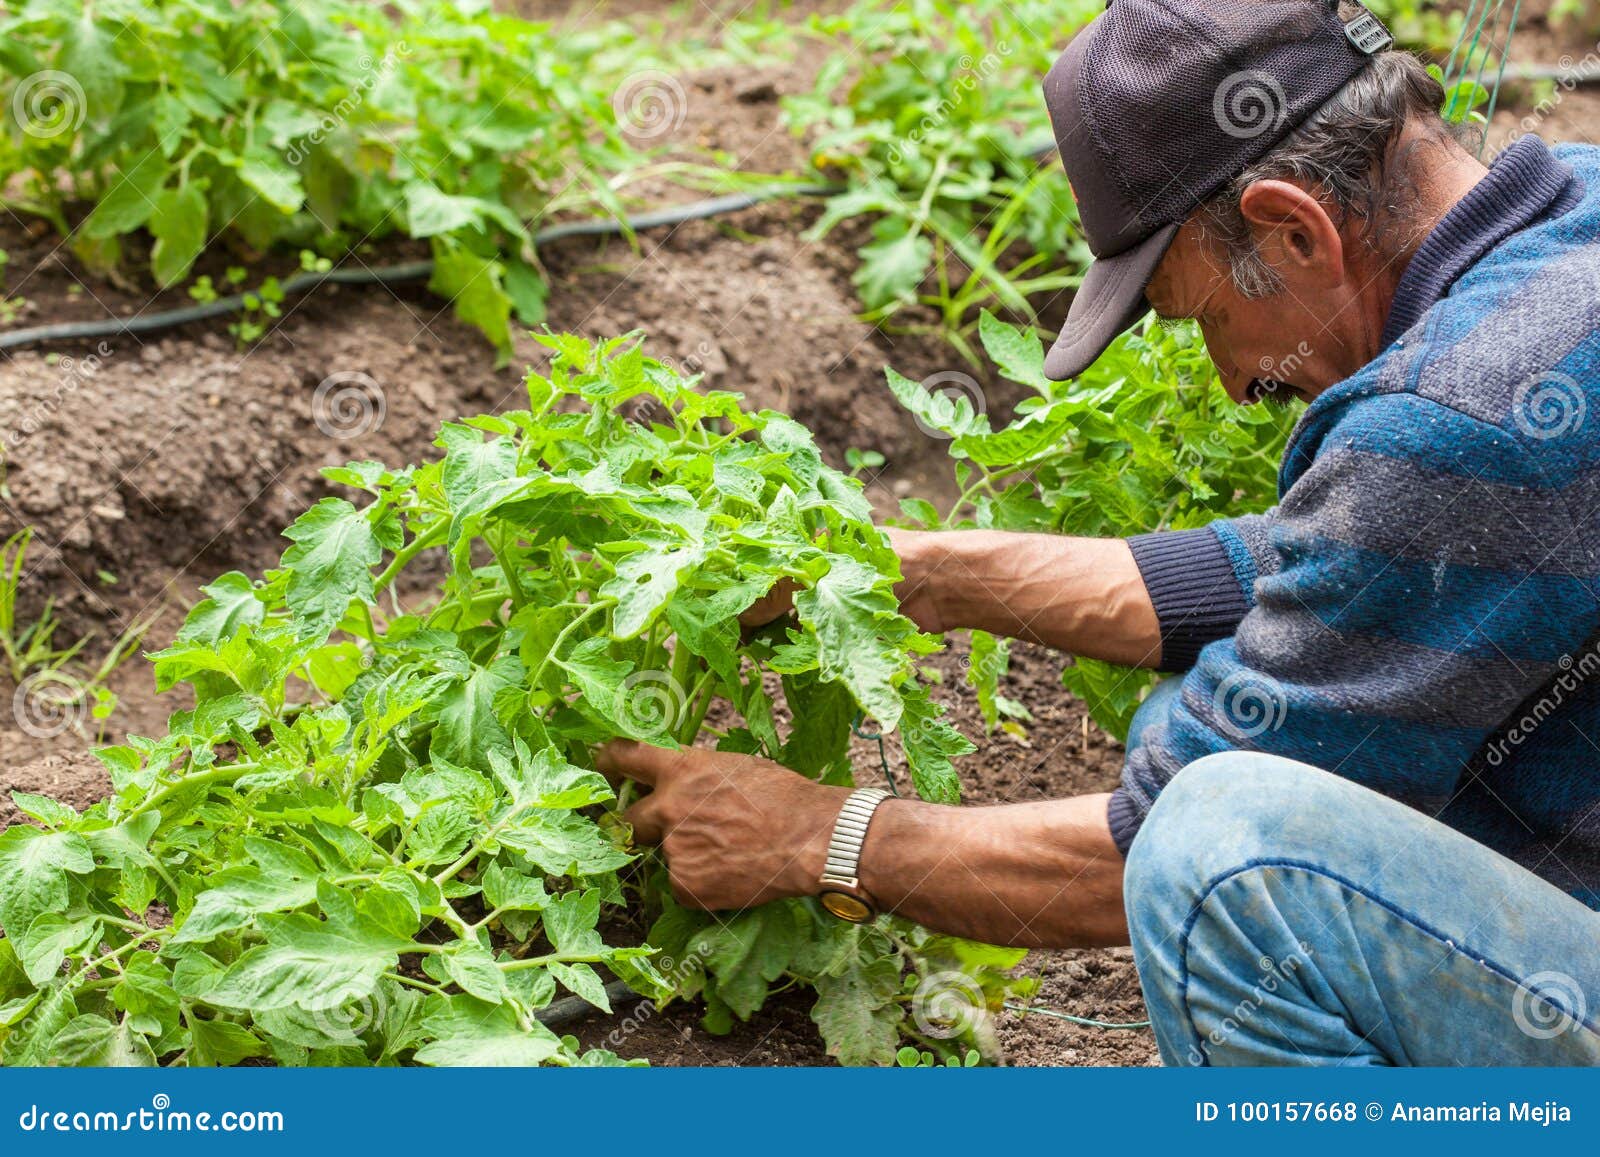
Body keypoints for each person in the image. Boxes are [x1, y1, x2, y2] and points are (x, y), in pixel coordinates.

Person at [599, 0, 1600, 1065]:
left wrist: (814, 835)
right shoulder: (1567, 223)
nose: (1229, 380)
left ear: (1296, 227)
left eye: (1202, 317)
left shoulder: (1463, 421)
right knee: (1219, 724)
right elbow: (1354, 568)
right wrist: (917, 572)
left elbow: (1141, 848)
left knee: (1215, 859)